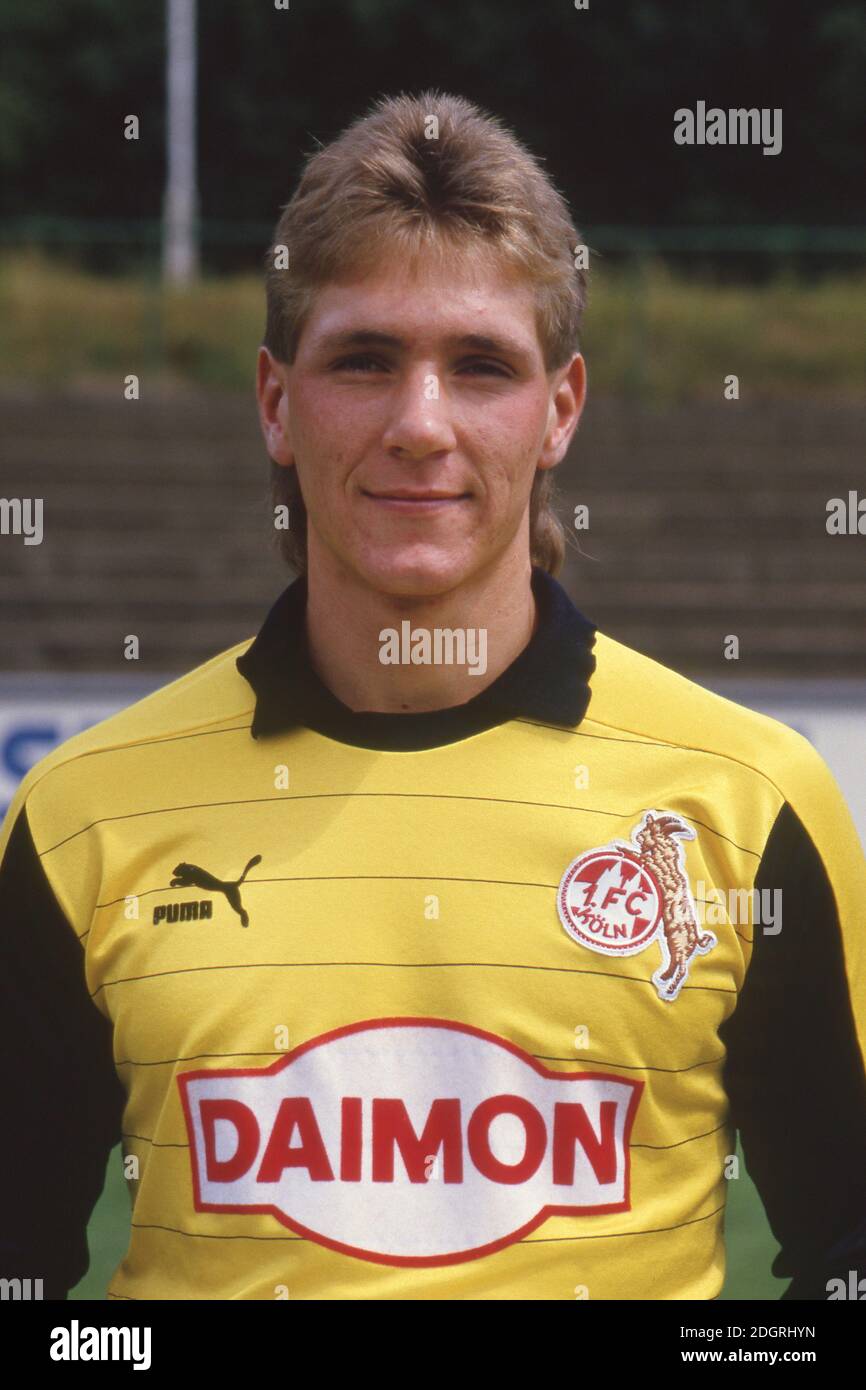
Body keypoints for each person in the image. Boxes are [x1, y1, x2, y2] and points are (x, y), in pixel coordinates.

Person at [1, 90, 865, 1302]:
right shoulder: (77, 816)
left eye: (479, 367)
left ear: (558, 409)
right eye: (363, 359)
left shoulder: (750, 802)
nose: (421, 425)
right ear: (273, 402)